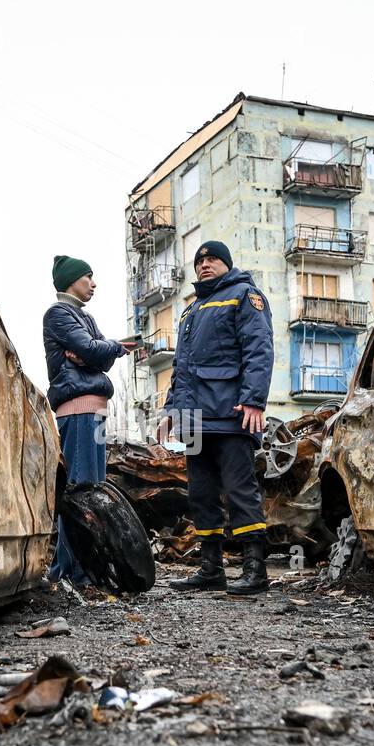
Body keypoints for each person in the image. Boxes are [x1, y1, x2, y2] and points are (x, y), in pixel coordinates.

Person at [157, 240, 273, 594]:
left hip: (231, 413)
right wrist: (171, 412)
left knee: (240, 491)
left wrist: (253, 400)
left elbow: (259, 348)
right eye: (200, 261)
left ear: (226, 263)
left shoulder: (244, 295)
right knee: (201, 493)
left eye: (212, 259)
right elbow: (182, 368)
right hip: (194, 419)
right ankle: (211, 569)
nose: (205, 265)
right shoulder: (190, 311)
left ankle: (256, 570)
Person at [42, 254, 135, 584]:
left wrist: (96, 352)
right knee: (80, 493)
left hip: (93, 408)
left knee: (92, 492)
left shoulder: (85, 317)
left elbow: (100, 359)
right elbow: (96, 351)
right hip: (77, 408)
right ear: (71, 280)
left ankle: (81, 570)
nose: (94, 284)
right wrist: (101, 349)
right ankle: (68, 573)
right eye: (88, 278)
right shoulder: (57, 314)